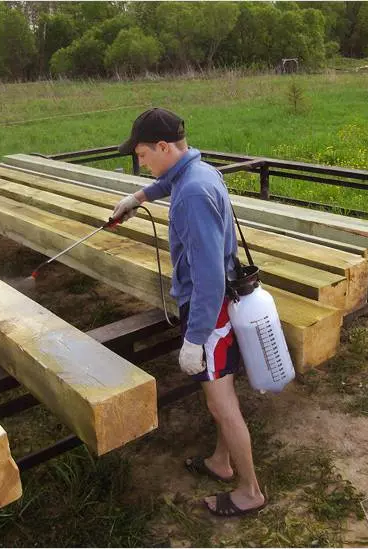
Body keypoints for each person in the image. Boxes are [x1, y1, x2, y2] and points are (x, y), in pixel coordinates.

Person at [112, 107, 266, 517]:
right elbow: (172, 181)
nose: (141, 163)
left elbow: (210, 279)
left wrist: (195, 338)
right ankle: (221, 462)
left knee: (221, 403)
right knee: (223, 392)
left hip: (209, 313)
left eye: (143, 155)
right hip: (216, 308)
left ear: (163, 146)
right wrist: (138, 198)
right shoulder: (199, 171)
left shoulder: (193, 195)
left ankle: (250, 491)